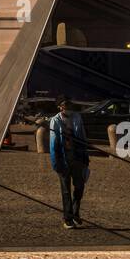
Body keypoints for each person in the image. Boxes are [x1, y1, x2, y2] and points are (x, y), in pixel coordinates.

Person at [48, 97, 90, 229]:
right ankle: (67, 218)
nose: (68, 107)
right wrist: (56, 163)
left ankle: (75, 213)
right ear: (60, 107)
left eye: (69, 105)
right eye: (65, 105)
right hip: (63, 160)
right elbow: (53, 144)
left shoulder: (77, 117)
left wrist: (85, 157)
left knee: (79, 187)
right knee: (66, 190)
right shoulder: (55, 121)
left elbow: (82, 137)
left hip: (77, 159)